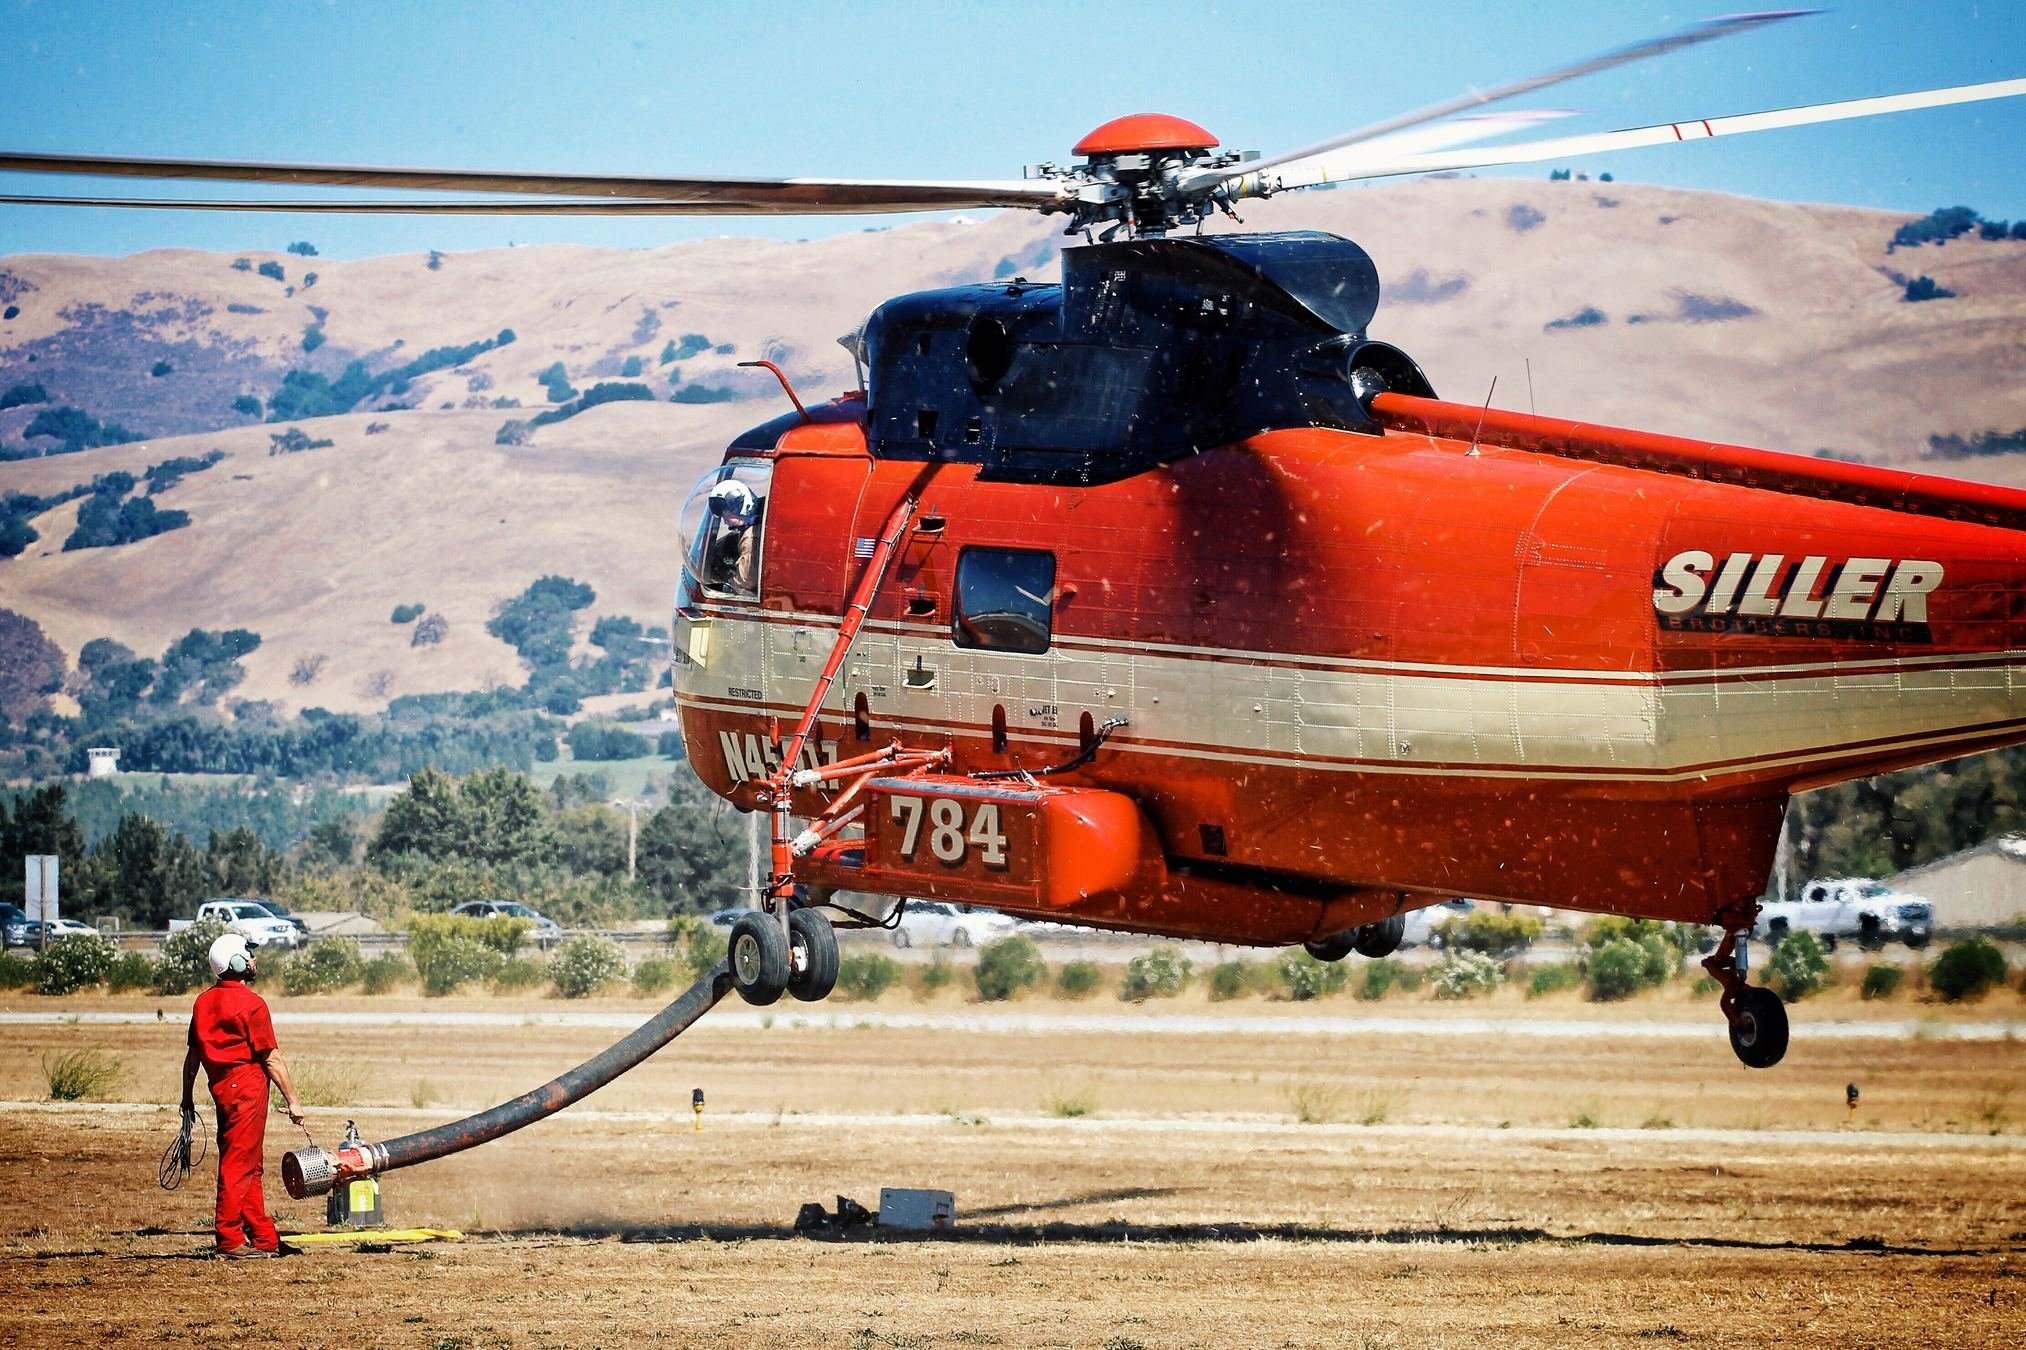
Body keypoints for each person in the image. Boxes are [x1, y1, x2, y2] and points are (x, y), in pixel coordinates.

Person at [179, 932, 306, 1259]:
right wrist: (293, 1100)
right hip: (247, 1089)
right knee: (239, 1164)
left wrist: (187, 1097)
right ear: (236, 963)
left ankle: (264, 1239)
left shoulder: (202, 1002)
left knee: (249, 1164)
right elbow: (271, 1059)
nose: (253, 960)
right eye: (248, 954)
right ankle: (229, 1238)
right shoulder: (252, 1004)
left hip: (221, 1089)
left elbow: (193, 1056)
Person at [706, 478, 762, 595]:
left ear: (739, 505)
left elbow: (746, 581)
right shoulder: (753, 526)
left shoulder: (750, 538)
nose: (725, 521)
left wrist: (726, 579)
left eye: (726, 513)